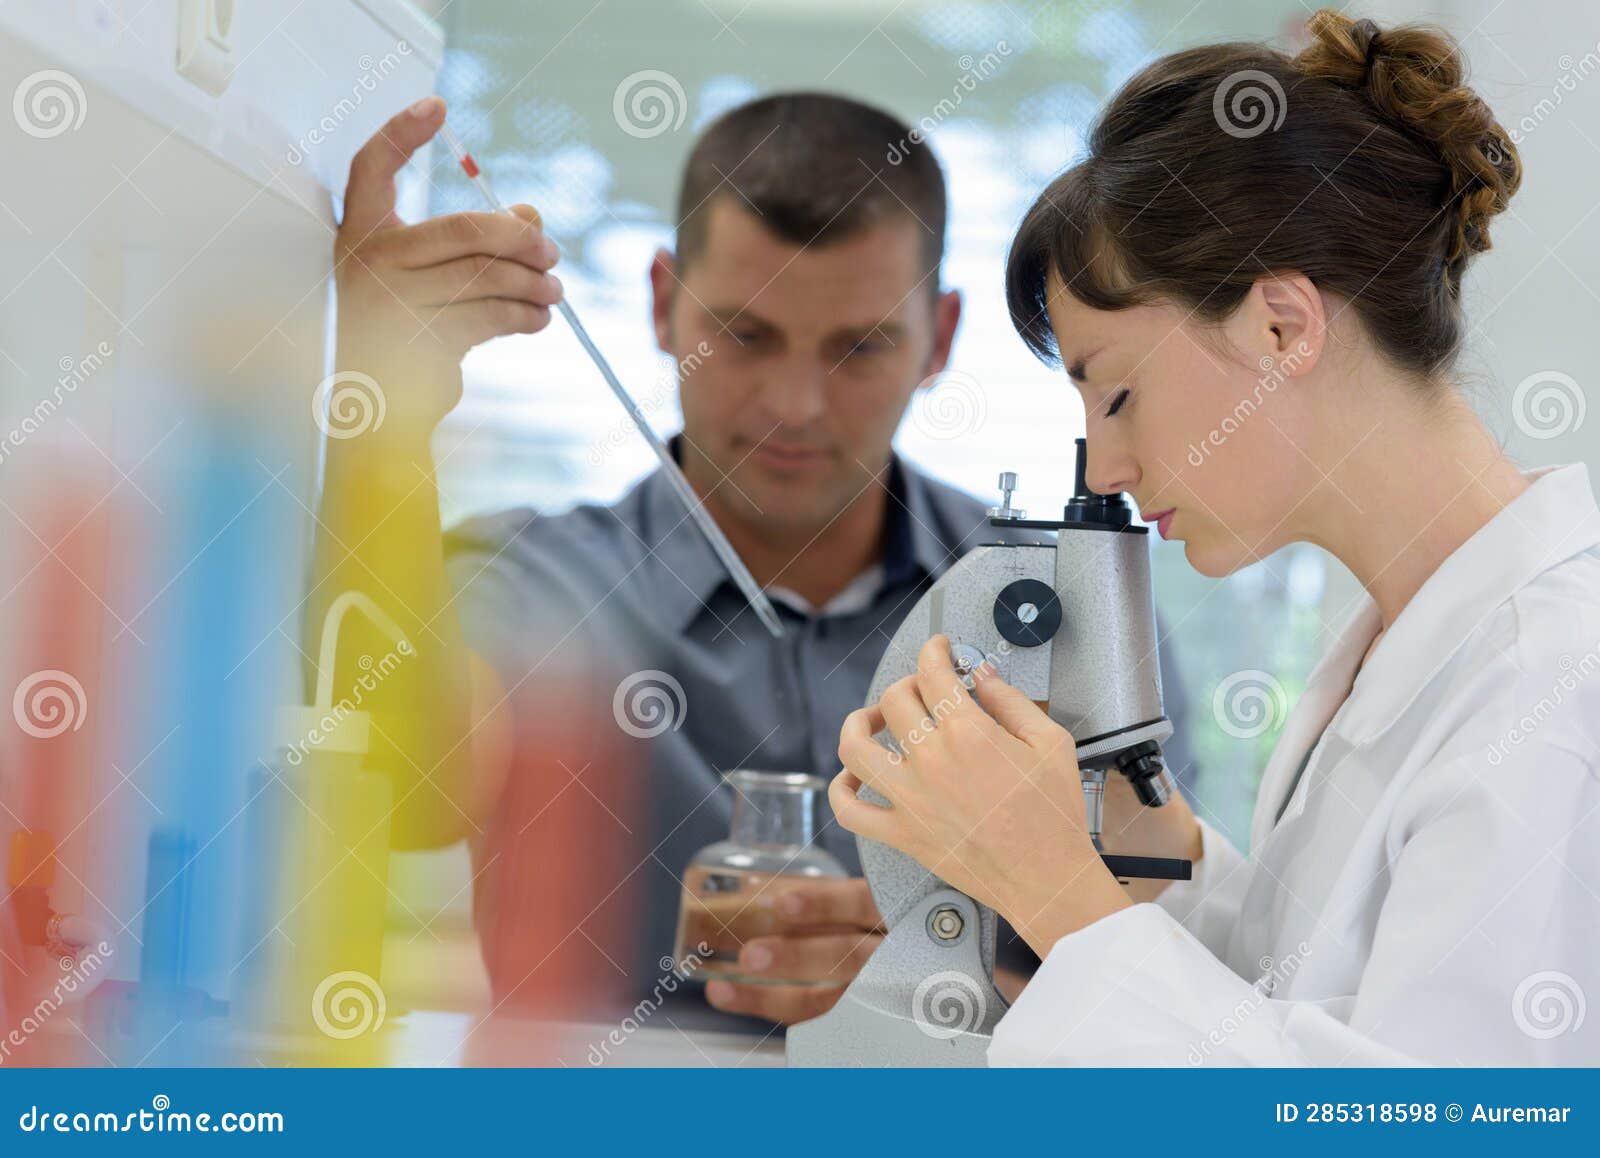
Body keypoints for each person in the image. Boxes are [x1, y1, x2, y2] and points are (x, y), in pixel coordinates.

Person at [317, 90, 1200, 1027]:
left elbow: (1171, 936)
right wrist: (381, 414)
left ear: (938, 339)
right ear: (663, 304)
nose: (796, 406)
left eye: (858, 347)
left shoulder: (1059, 609)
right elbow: (407, 800)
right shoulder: (530, 578)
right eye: (744, 335)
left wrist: (952, 988)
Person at [831, 9, 1600, 1065]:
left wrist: (1046, 884)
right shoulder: (1396, 646)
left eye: (1117, 393)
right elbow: (1304, 1012)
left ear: (1282, 326)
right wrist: (1163, 854)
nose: (1103, 468)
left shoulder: (1557, 684)